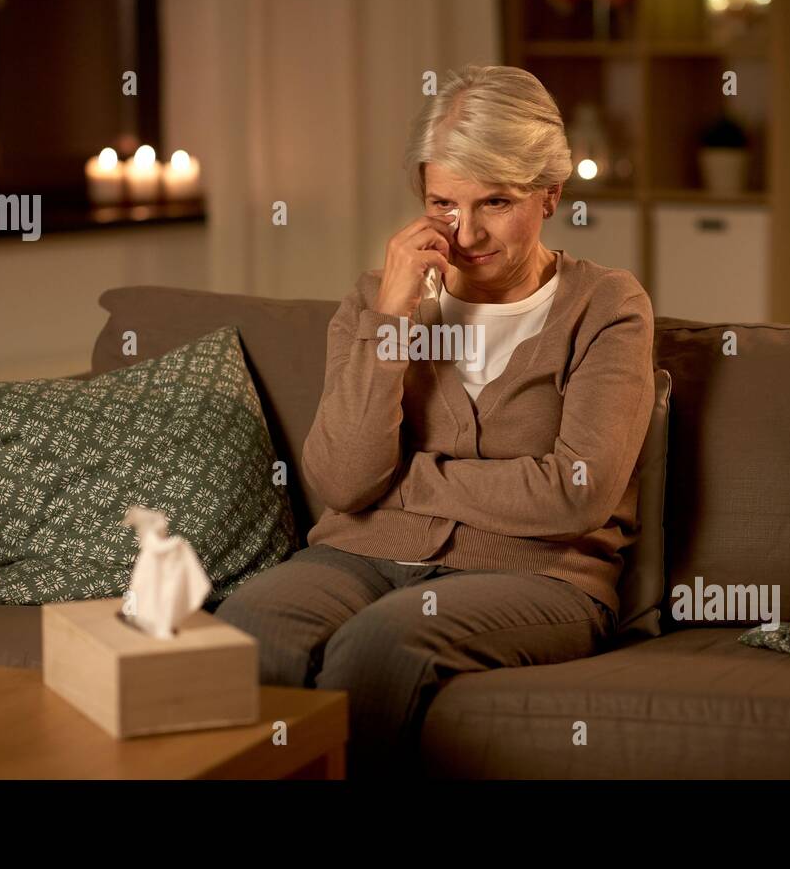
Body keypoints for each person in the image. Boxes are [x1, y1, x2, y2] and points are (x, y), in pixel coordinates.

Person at [216, 64, 656, 779]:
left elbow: (574, 491)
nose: (468, 232)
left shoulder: (605, 306)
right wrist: (390, 322)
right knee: (248, 631)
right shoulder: (375, 302)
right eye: (443, 203)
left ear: (552, 193)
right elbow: (345, 482)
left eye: (497, 200)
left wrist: (409, 482)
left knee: (381, 645)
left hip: (539, 576)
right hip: (358, 555)